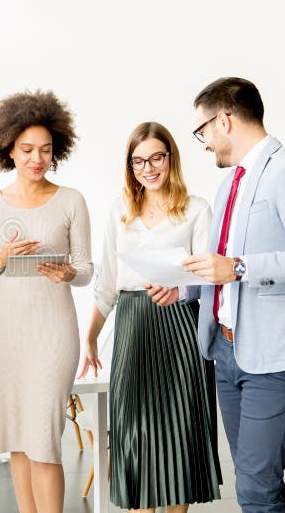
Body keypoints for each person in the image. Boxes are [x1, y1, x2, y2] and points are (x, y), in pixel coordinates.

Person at [150, 77, 285, 513]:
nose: (202, 144)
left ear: (225, 120)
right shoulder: (230, 182)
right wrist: (183, 287)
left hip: (276, 360)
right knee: (259, 483)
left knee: (256, 487)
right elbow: (223, 268)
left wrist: (238, 267)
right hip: (229, 353)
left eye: (202, 131)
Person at [80, 122, 222, 512]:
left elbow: (208, 277)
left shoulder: (196, 209)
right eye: (138, 160)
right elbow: (107, 281)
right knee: (132, 433)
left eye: (156, 157)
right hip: (132, 323)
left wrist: (181, 288)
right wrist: (90, 335)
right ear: (130, 165)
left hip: (179, 325)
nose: (148, 167)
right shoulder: (119, 211)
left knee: (177, 433)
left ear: (170, 158)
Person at [0, 90, 93, 513]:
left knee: (43, 437)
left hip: (54, 331)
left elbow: (87, 269)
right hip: (6, 332)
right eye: (27, 150)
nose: (37, 159)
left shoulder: (71, 200)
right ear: (9, 149)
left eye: (46, 150)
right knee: (17, 436)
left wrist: (68, 273)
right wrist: (0, 259)